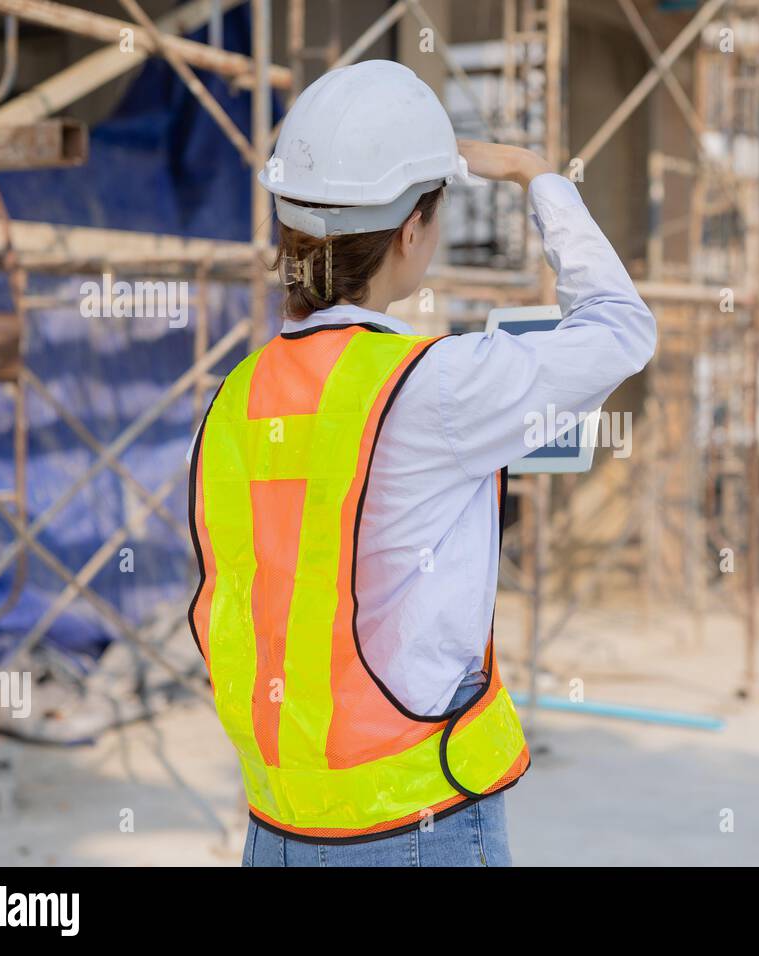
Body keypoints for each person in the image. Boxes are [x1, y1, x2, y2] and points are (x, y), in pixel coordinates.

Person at [186, 60, 655, 867]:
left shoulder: (235, 394)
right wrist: (536, 176)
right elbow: (620, 327)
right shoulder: (436, 386)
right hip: (411, 824)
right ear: (411, 231)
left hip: (277, 826)